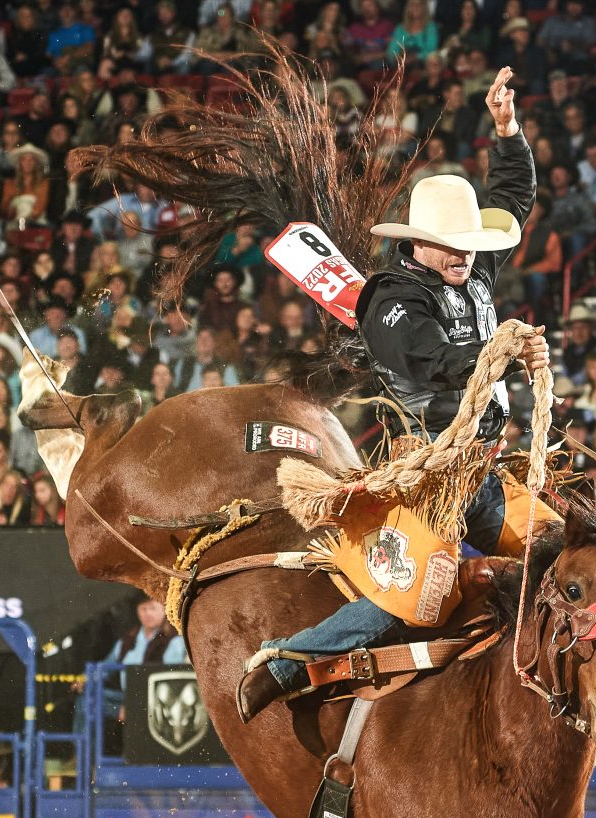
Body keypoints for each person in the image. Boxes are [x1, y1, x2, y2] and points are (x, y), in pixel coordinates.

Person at [238, 67, 543, 721]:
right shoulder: (391, 300)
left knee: (558, 544)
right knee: (413, 595)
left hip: (485, 468)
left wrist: (507, 128)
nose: (467, 254)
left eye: (471, 244)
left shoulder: (471, 262)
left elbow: (513, 193)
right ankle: (285, 661)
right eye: (454, 246)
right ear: (422, 246)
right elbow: (430, 361)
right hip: (431, 472)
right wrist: (501, 352)